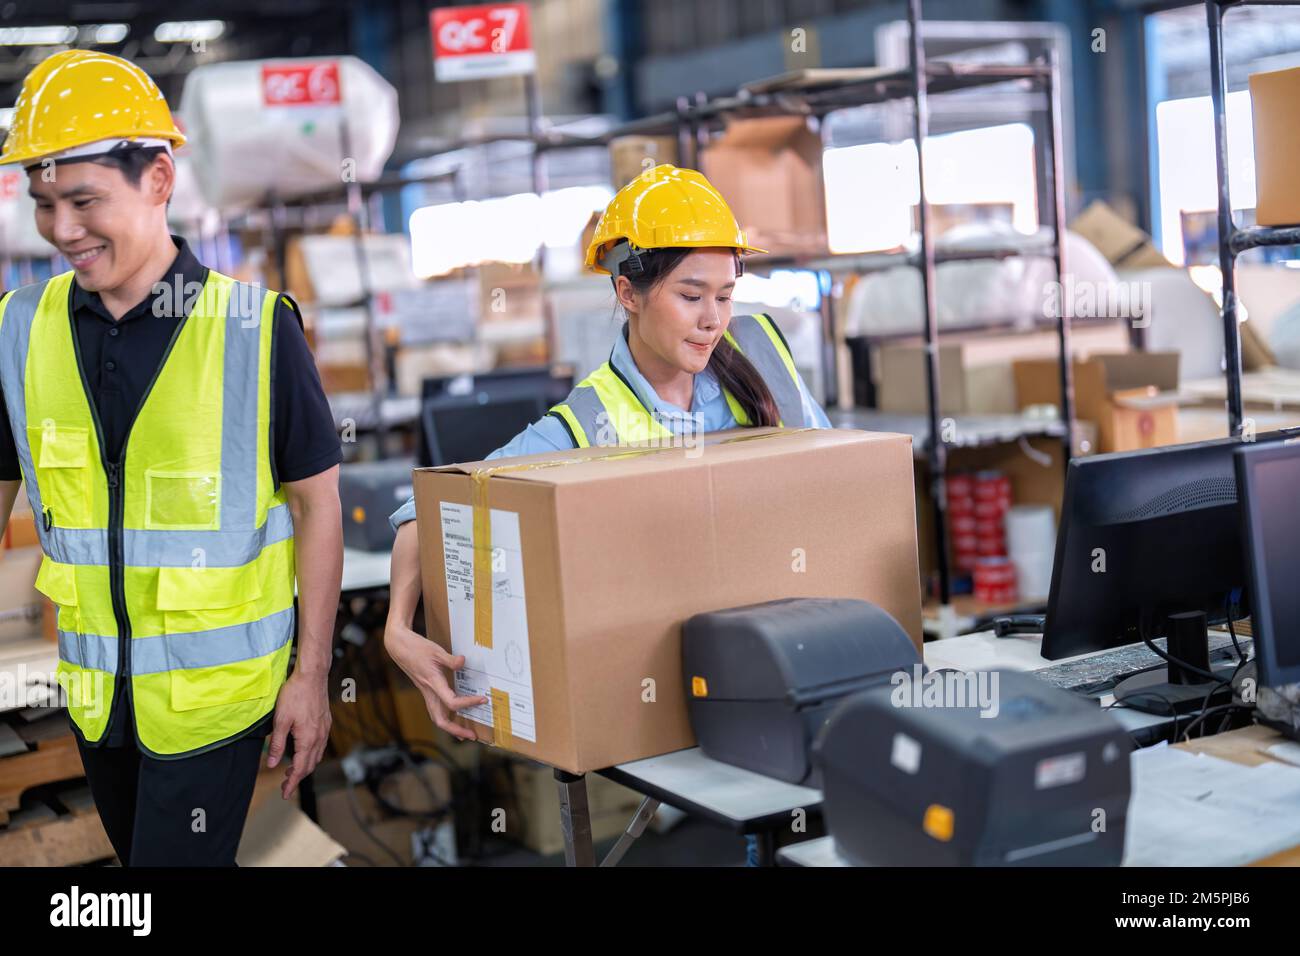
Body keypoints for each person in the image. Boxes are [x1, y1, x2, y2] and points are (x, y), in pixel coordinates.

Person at [0, 50, 343, 866]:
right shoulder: (18, 329)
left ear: (158, 178)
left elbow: (317, 503)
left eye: (85, 201)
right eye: (45, 204)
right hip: (94, 698)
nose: (63, 230)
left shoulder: (256, 330)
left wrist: (312, 676)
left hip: (213, 704)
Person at [383, 163, 830, 744]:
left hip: (796, 646)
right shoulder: (585, 423)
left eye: (725, 295)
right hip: (678, 689)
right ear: (628, 292)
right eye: (691, 295)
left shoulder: (762, 352)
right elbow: (427, 514)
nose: (713, 319)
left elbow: (828, 470)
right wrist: (396, 628)